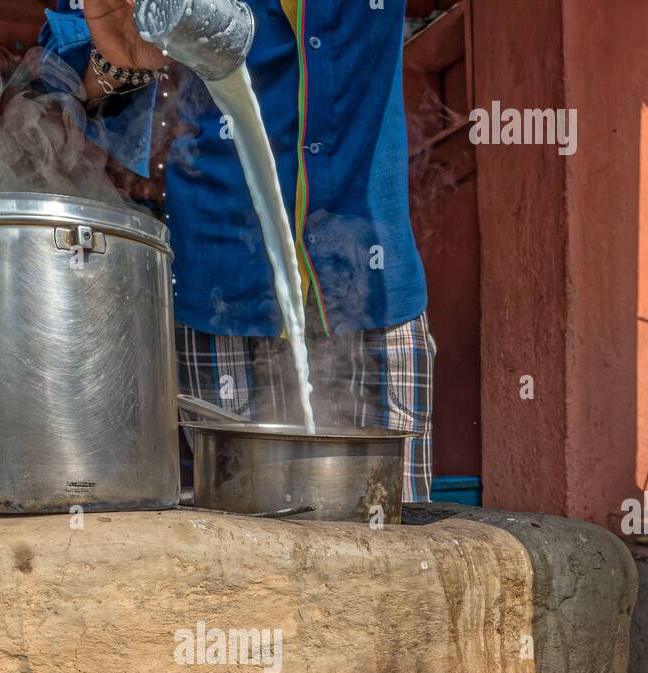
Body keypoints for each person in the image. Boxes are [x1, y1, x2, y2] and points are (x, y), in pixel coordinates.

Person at [39, 0, 435, 501]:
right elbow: (63, 72)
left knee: (396, 552)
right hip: (220, 294)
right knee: (238, 553)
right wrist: (116, 63)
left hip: (376, 293)